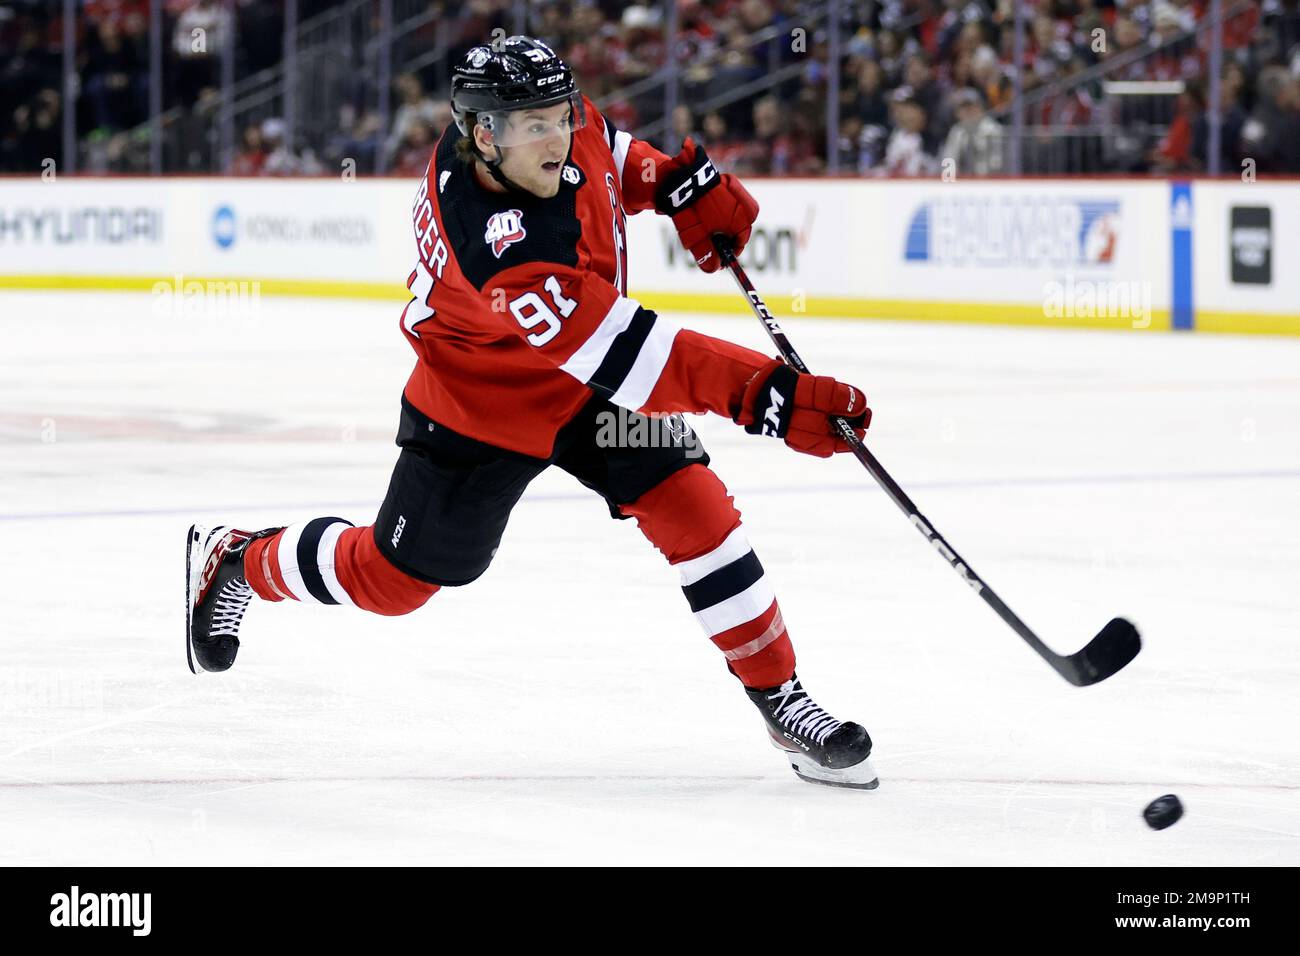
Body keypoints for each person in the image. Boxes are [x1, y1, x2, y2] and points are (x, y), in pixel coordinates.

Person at [185, 37, 878, 789]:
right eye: (537, 126)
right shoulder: (497, 247)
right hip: (480, 407)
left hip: (586, 391)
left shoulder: (539, 123)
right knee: (395, 582)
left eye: (560, 114)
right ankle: (238, 559)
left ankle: (781, 697)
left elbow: (610, 155)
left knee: (696, 511)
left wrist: (675, 183)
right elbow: (637, 359)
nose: (559, 135)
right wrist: (768, 397)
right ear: (485, 137)